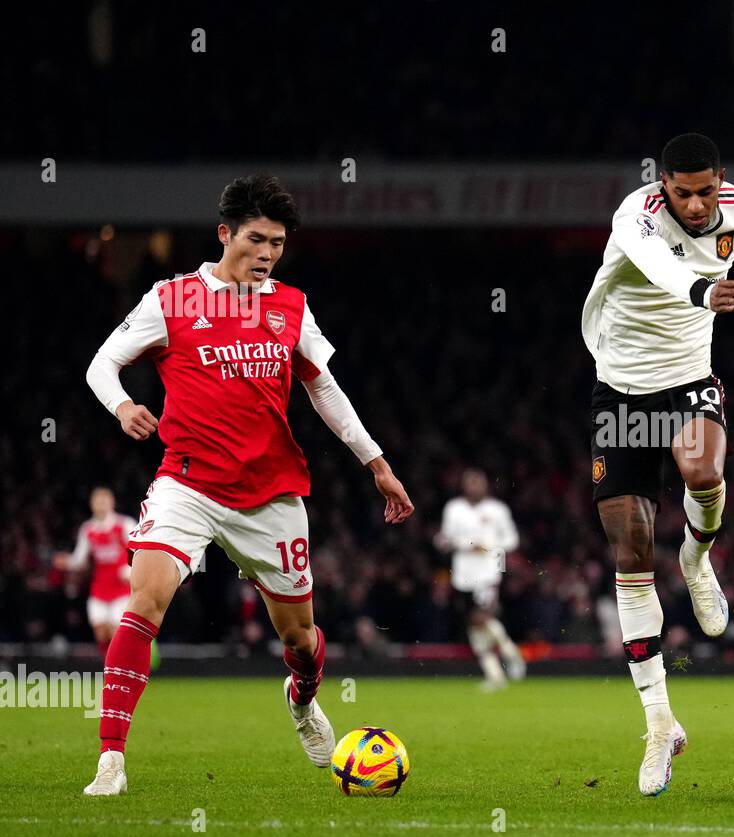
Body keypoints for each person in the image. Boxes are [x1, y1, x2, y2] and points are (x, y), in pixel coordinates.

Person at [81, 174, 415, 796]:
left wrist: (376, 462)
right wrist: (123, 406)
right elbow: (102, 362)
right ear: (224, 234)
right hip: (188, 483)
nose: (267, 254)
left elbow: (324, 389)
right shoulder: (173, 299)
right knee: (144, 604)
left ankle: (301, 697)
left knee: (300, 640)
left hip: (271, 495)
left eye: (278, 244)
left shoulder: (290, 304)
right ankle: (111, 759)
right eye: (257, 240)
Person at [582, 132, 734, 795]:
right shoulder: (636, 215)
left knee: (703, 474)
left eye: (704, 190)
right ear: (662, 184)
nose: (693, 203)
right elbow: (659, 267)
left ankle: (696, 557)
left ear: (722, 180)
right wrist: (700, 294)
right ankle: (660, 723)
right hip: (621, 389)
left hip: (688, 381)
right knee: (629, 553)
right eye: (680, 191)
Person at [436, 468, 525, 690]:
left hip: (488, 571)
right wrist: (460, 543)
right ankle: (495, 674)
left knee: (482, 617)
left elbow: (512, 540)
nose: (474, 486)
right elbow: (445, 538)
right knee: (474, 625)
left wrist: (490, 546)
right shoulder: (454, 509)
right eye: (470, 482)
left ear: (486, 485)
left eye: (478, 482)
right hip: (462, 574)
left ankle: (512, 656)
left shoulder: (498, 510)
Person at [53, 487, 134, 656]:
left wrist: (129, 569)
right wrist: (66, 562)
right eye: (97, 501)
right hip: (99, 588)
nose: (101, 505)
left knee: (116, 632)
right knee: (101, 633)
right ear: (91, 504)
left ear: (112, 503)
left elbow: (138, 550)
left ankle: (120, 673)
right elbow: (80, 560)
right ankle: (109, 668)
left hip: (121, 589)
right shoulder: (88, 529)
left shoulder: (124, 524)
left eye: (104, 501)